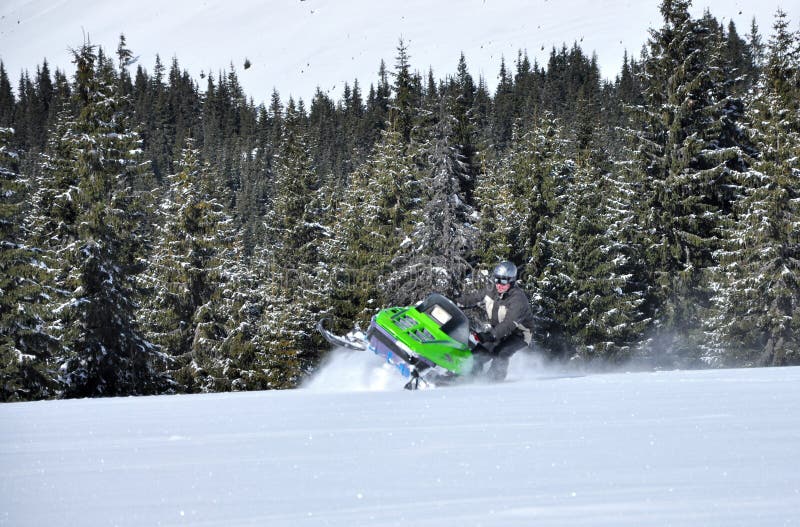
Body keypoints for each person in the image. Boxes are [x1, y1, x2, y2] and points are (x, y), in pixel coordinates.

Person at [457, 261, 535, 381]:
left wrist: (491, 335)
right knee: (479, 352)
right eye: (497, 280)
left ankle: (494, 381)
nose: (499, 284)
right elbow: (473, 298)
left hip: (519, 334)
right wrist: (455, 302)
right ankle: (468, 376)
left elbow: (508, 324)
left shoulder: (518, 299)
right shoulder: (491, 291)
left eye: (503, 281)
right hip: (498, 330)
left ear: (511, 281)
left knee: (501, 352)